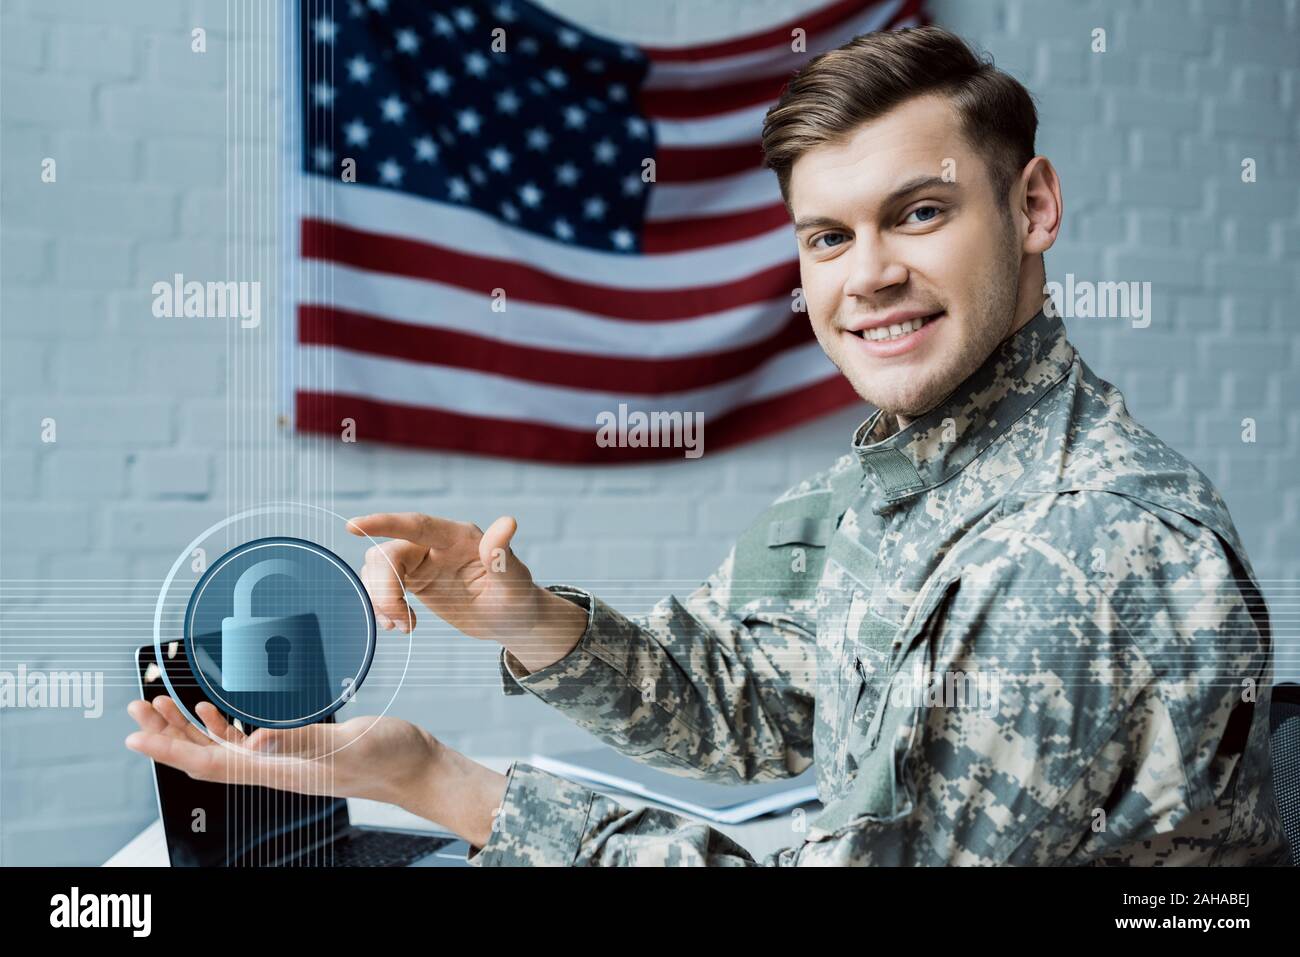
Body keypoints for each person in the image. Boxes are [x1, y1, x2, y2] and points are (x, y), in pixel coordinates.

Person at [126, 25, 1288, 866]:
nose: (869, 273)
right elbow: (757, 700)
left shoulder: (1090, 548)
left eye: (919, 212)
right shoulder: (892, 476)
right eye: (827, 236)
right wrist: (522, 616)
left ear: (1032, 207)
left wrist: (436, 782)